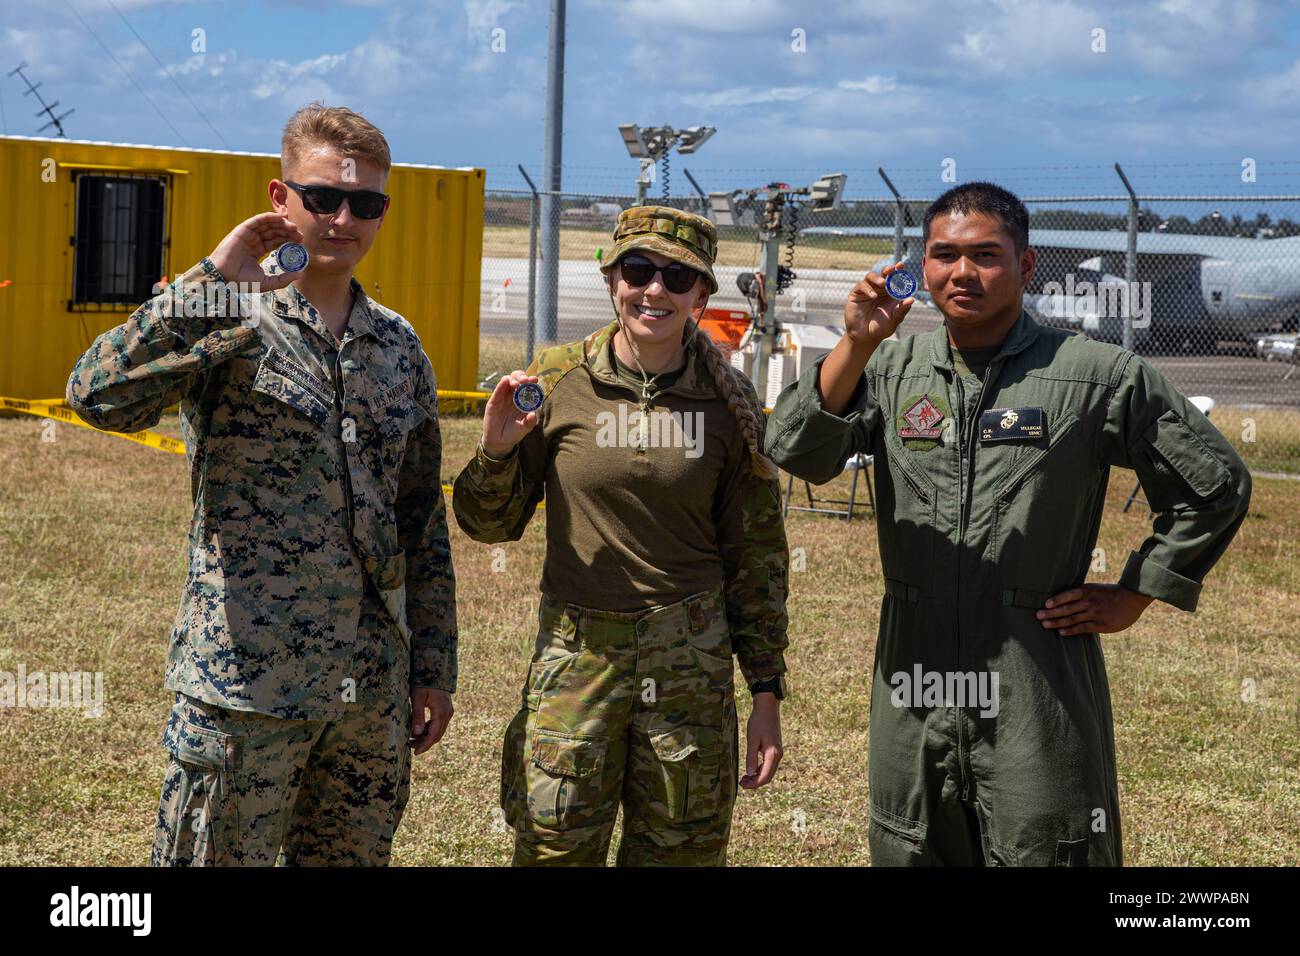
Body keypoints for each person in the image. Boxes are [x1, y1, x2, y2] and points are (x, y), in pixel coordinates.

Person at [765, 182, 1251, 866]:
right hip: (913, 674)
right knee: (912, 845)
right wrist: (856, 343)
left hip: (1037, 677)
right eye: (945, 255)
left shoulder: (1092, 374)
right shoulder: (890, 370)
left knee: (1045, 846)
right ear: (922, 267)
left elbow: (1215, 482)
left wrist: (1138, 591)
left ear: (1025, 266)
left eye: (986, 255)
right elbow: (794, 450)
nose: (963, 272)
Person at [65, 104, 457, 866]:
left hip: (367, 689)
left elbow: (419, 521)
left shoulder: (399, 346)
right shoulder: (225, 313)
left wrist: (432, 667)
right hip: (247, 687)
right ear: (280, 198)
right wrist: (208, 280)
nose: (343, 219)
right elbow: (94, 395)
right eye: (322, 198)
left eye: (365, 204)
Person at [452, 206, 790, 866]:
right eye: (638, 270)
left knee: (680, 854)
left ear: (701, 293)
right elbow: (488, 525)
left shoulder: (730, 404)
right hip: (576, 663)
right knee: (552, 850)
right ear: (612, 280)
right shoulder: (554, 382)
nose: (654, 290)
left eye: (676, 276)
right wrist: (494, 453)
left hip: (689, 666)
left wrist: (767, 692)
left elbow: (756, 558)